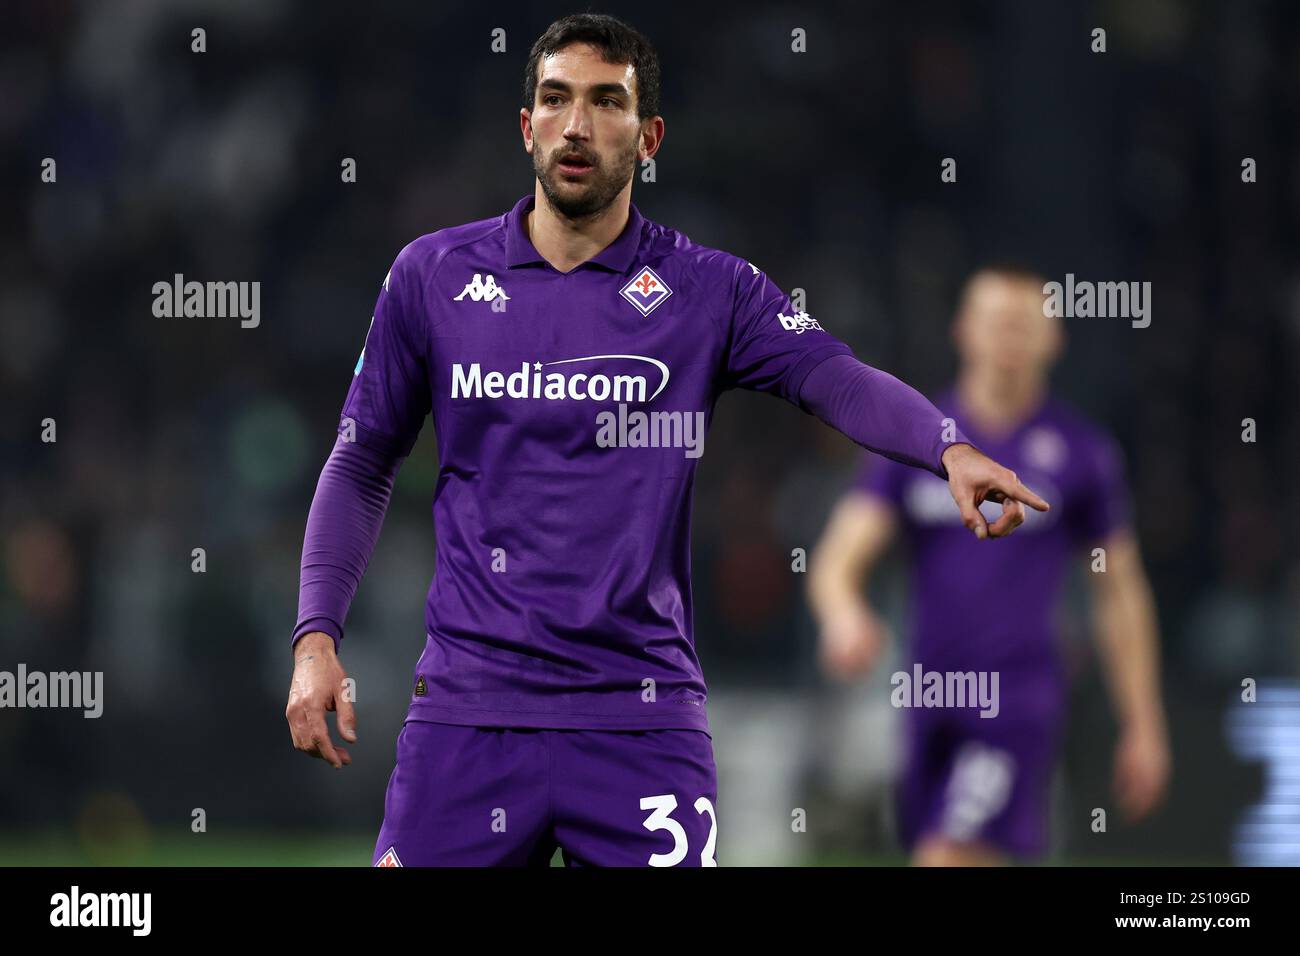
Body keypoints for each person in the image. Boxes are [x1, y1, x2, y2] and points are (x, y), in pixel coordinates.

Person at [285, 14, 1046, 867]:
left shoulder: (708, 290)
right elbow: (360, 461)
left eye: (607, 102)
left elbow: (831, 375)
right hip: (468, 717)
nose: (578, 125)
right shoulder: (431, 276)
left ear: (648, 137)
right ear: (525, 125)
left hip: (640, 723)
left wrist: (947, 446)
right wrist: (317, 636)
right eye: (556, 98)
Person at [808, 265, 1170, 865]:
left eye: (1024, 325)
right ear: (962, 331)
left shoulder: (1081, 455)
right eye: (995, 323)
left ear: (1054, 338)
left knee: (950, 855)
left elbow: (1120, 594)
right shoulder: (921, 443)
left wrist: (1142, 722)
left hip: (1016, 701)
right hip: (925, 697)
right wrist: (843, 615)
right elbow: (839, 558)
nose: (1009, 338)